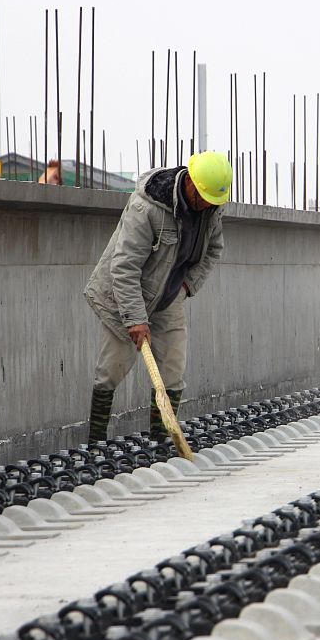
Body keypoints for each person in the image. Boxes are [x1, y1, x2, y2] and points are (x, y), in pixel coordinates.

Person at [83, 151, 232, 443]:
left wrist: (187, 286)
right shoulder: (148, 207)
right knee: (111, 370)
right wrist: (136, 320)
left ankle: (162, 440)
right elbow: (124, 267)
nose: (206, 205)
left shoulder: (211, 209)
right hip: (123, 297)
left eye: (213, 202)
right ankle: (95, 442)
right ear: (189, 181)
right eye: (203, 197)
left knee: (173, 370)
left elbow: (213, 250)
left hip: (168, 295)